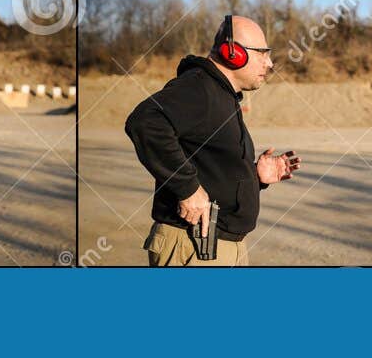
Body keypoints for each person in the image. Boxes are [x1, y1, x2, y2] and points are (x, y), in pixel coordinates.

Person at [125, 15, 302, 266]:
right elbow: (145, 121)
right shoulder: (199, 88)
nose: (270, 63)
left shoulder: (222, 96)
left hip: (219, 249)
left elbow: (210, 164)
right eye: (262, 53)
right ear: (233, 53)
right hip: (193, 249)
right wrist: (187, 188)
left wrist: (254, 175)